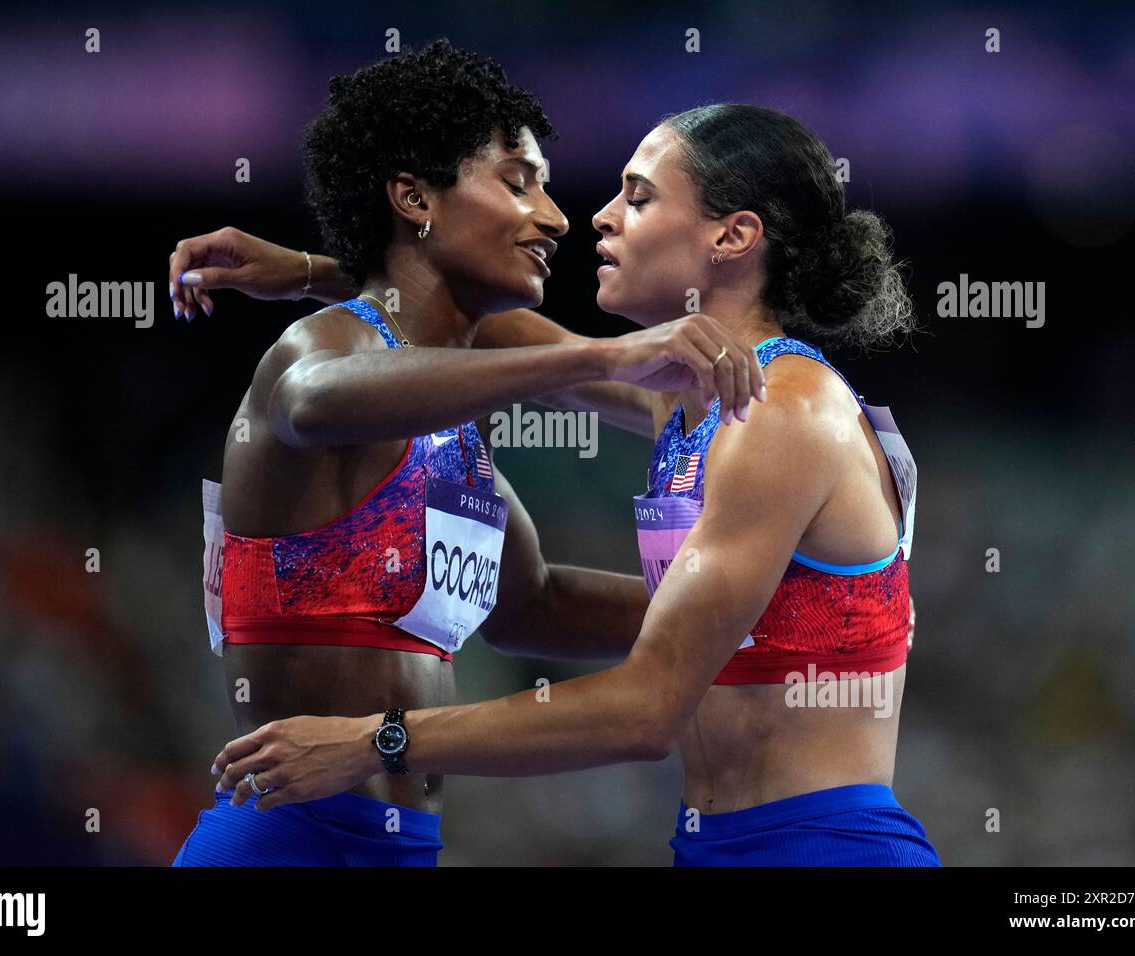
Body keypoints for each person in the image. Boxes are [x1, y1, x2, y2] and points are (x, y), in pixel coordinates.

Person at [205, 103, 939, 866]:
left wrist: (377, 740)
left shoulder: (782, 411)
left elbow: (646, 711)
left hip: (824, 850)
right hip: (721, 845)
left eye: (640, 196)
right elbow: (471, 330)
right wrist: (312, 272)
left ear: (732, 236)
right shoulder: (698, 403)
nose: (598, 215)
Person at [170, 42, 764, 866]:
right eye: (519, 182)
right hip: (286, 844)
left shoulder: (453, 421)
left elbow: (533, 608)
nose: (555, 217)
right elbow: (312, 399)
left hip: (401, 847)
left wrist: (741, 616)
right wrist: (598, 356)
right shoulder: (319, 349)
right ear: (414, 196)